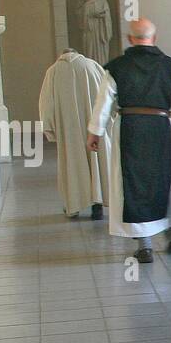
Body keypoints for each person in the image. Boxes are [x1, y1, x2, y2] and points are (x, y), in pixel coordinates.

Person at [87, 18, 171, 263]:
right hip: (162, 128)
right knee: (169, 182)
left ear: (130, 39)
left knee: (134, 184)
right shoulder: (170, 67)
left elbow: (103, 102)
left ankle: (144, 246)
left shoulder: (117, 67)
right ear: (155, 38)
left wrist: (95, 132)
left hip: (129, 128)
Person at [39, 48, 107, 220]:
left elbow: (46, 102)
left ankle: (73, 207)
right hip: (94, 125)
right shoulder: (92, 66)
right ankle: (97, 205)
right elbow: (107, 94)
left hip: (67, 128)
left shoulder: (53, 71)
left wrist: (49, 127)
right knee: (96, 163)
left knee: (71, 164)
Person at [80, 0, 112, 64]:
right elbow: (79, 14)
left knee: (101, 49)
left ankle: (103, 65)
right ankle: (91, 67)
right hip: (89, 29)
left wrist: (102, 15)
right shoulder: (83, 0)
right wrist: (89, 15)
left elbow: (107, 12)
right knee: (90, 48)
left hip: (101, 29)